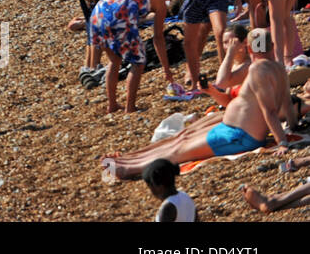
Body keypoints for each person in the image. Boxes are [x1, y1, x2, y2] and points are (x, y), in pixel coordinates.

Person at [102, 29, 296, 179]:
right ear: (271, 46)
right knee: (181, 141)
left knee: (179, 151)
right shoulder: (278, 67)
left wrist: (282, 142)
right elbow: (286, 102)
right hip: (234, 130)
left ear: (250, 48)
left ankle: (125, 169)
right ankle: (127, 159)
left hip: (240, 136)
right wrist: (293, 125)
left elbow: (269, 110)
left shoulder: (258, 70)